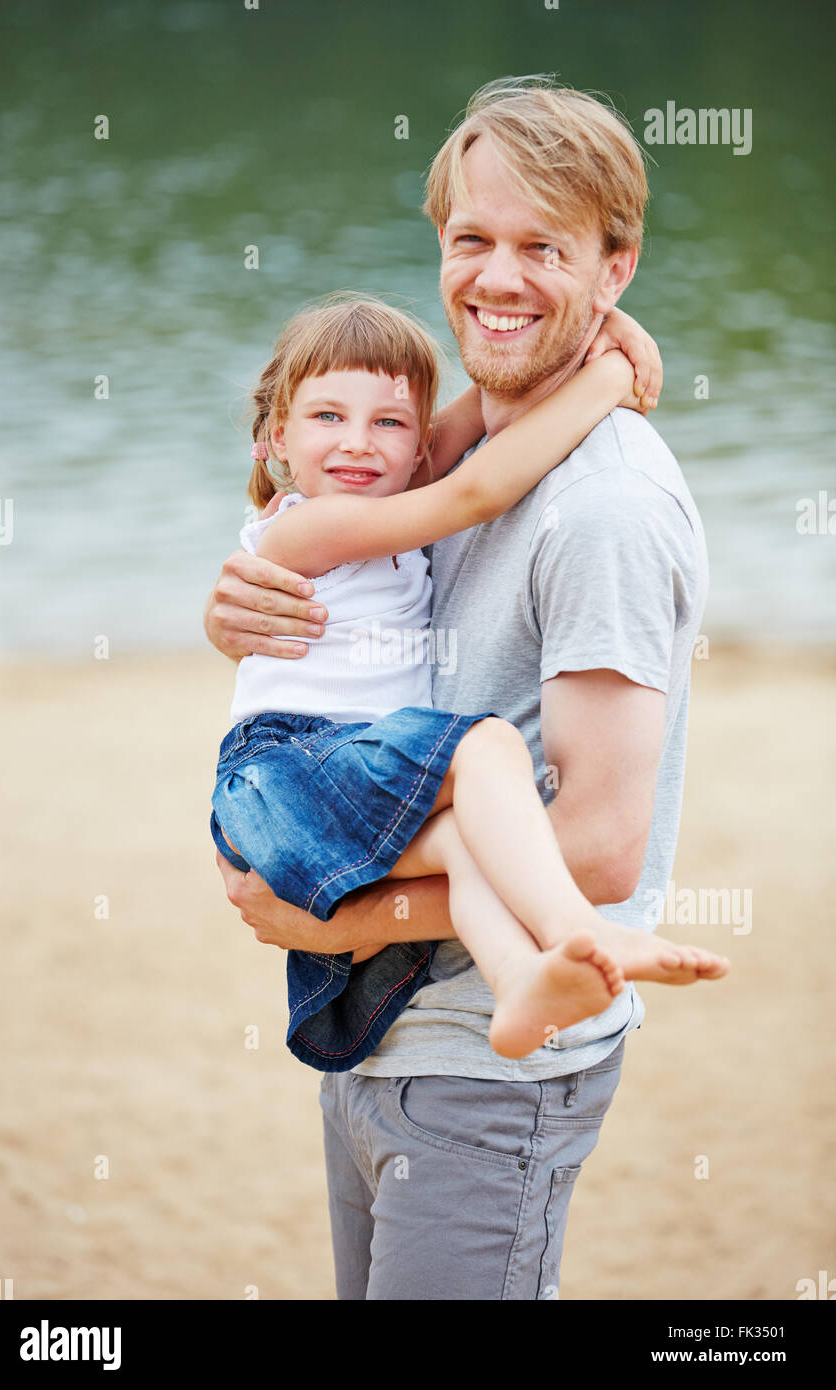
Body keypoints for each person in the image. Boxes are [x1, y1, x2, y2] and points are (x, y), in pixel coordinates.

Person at [206, 77, 726, 1301]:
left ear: (616, 270)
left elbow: (598, 852)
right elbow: (415, 495)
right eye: (470, 239)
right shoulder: (456, 442)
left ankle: (536, 965)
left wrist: (337, 918)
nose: (494, 278)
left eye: (543, 245)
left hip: (488, 1085)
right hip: (382, 1033)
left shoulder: (601, 508)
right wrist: (234, 602)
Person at [211, 296, 721, 1067]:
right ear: (277, 437)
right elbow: (474, 492)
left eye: (389, 422)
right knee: (485, 747)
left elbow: (487, 403)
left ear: (419, 444)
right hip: (292, 762)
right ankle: (582, 928)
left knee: (469, 839)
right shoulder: (307, 526)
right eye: (326, 417)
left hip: (342, 765)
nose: (358, 443)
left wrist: (598, 326)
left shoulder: (393, 485)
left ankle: (521, 978)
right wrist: (609, 376)